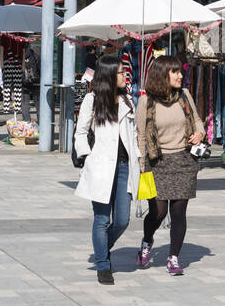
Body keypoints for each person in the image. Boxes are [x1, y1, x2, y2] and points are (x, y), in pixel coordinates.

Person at [74, 54, 140, 286]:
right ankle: (103, 265)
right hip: (101, 167)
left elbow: (134, 136)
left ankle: (102, 247)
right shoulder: (92, 100)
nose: (125, 75)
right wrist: (88, 156)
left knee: (122, 219)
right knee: (101, 219)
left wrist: (139, 159)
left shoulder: (127, 100)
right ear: (110, 75)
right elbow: (80, 133)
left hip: (124, 167)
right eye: (121, 72)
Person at [135, 56, 204, 277]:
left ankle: (173, 258)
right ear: (162, 74)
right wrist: (142, 167)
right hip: (156, 162)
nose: (180, 76)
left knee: (178, 212)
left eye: (180, 72)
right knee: (158, 211)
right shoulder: (147, 102)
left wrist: (200, 133)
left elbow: (197, 119)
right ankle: (147, 241)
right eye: (175, 72)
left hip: (184, 161)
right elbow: (141, 137)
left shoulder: (185, 96)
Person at [20, 45, 39, 122]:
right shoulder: (35, 56)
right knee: (38, 103)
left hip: (24, 83)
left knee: (24, 103)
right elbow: (40, 68)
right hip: (36, 82)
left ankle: (26, 120)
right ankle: (40, 121)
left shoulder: (20, 57)